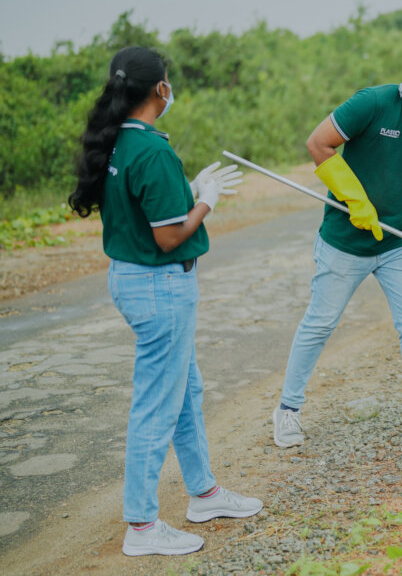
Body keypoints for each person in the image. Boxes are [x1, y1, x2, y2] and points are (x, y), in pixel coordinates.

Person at [68, 46, 262, 557]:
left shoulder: (121, 142)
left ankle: (204, 493)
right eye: (169, 81)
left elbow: (150, 211)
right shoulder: (151, 150)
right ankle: (142, 524)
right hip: (159, 285)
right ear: (159, 89)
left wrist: (188, 190)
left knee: (185, 389)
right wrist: (205, 200)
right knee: (157, 402)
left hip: (133, 279)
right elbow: (170, 237)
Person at [272, 43, 402, 452]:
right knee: (320, 323)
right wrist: (354, 198)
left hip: (399, 242)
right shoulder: (373, 102)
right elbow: (319, 143)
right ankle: (287, 410)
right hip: (345, 240)